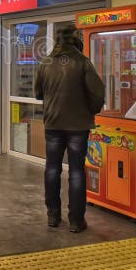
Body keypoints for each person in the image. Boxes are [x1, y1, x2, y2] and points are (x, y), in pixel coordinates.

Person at [33, 25, 105, 233]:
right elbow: (97, 94)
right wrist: (90, 110)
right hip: (78, 126)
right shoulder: (82, 62)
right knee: (76, 171)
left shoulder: (46, 63)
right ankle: (76, 220)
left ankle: (53, 215)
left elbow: (38, 93)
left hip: (54, 124)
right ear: (76, 40)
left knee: (52, 168)